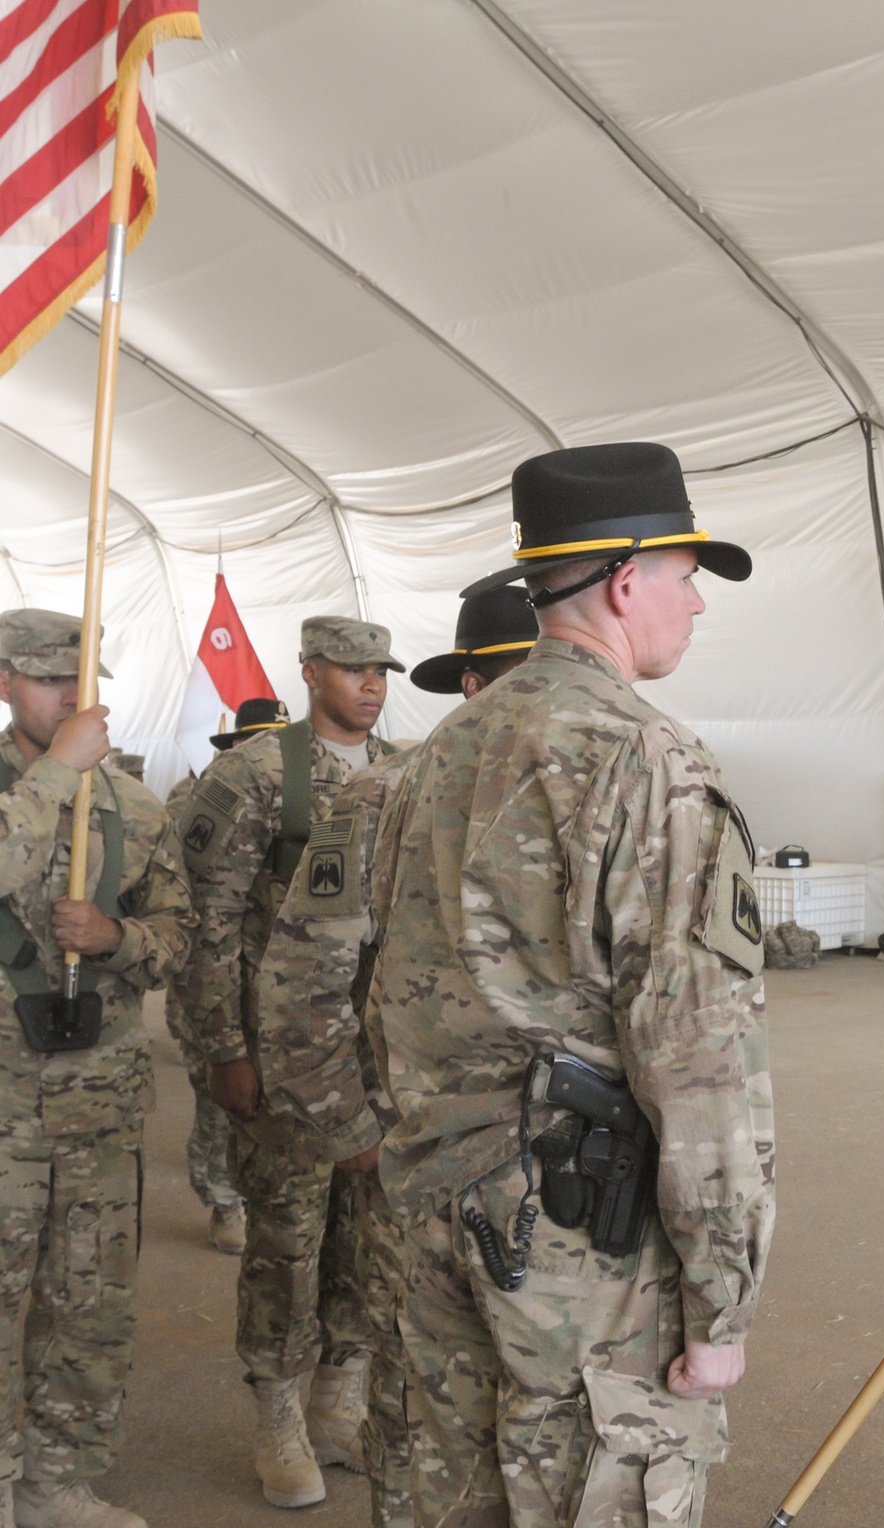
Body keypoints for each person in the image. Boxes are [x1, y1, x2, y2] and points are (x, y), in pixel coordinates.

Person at [369, 442, 775, 1528]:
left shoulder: (433, 758)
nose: (695, 603)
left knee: (445, 1489)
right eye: (687, 575)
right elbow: (700, 1059)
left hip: (433, 1211)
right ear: (625, 578)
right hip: (580, 1243)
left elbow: (384, 998)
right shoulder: (646, 762)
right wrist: (722, 1297)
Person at [253, 586, 538, 1528]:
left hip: (552, 1169)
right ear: (472, 682)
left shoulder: (604, 788)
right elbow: (296, 979)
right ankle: (289, 1412)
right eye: (516, 675)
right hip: (411, 1136)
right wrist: (351, 1127)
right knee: (418, 1380)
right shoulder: (382, 797)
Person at [175, 618, 404, 1509]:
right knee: (286, 1242)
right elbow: (208, 925)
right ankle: (277, 1413)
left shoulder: (403, 771)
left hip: (376, 1058)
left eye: (379, 669)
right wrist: (222, 1051)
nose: (370, 683)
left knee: (368, 1239)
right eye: (350, 668)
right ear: (310, 672)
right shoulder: (258, 774)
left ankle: (339, 1398)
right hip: (282, 1057)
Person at [0, 610, 194, 1528]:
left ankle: (55, 1481)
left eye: (83, 681)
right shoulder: (30, 790)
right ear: (4, 682)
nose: (72, 699)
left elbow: (182, 940)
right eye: (47, 680)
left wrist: (119, 938)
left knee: (91, 1301)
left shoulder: (138, 809)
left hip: (99, 1105)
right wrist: (55, 772)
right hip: (2, 1107)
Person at [163, 697, 291, 1257]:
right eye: (255, 738)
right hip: (212, 976)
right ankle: (223, 1199)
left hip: (276, 985)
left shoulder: (300, 800)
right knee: (217, 1100)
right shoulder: (196, 800)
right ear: (233, 744)